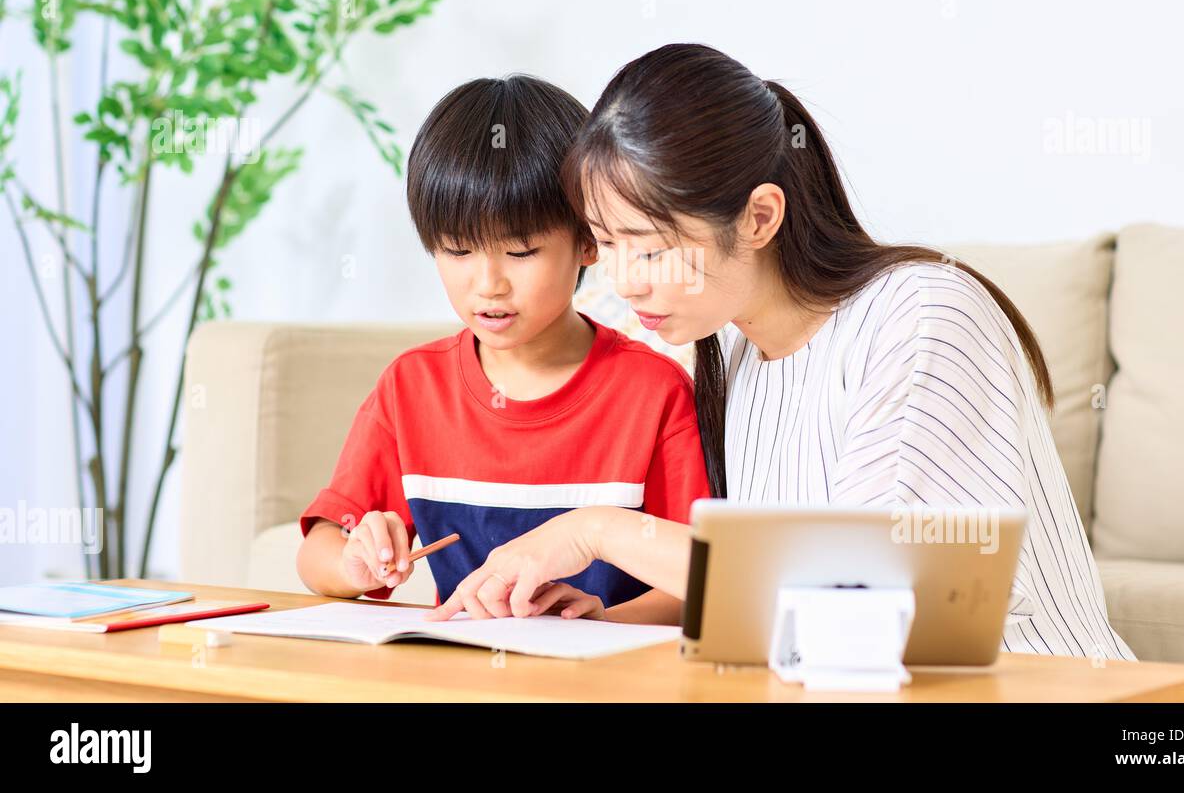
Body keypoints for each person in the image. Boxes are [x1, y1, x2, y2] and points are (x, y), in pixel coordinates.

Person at [426, 44, 1137, 662]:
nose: (624, 277)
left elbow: (862, 607)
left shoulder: (921, 315)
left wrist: (595, 532)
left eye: (650, 245)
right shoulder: (730, 347)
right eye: (606, 243)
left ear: (761, 216)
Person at [296, 74, 711, 624]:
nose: (488, 284)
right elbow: (316, 553)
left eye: (520, 251)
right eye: (458, 250)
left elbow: (703, 584)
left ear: (589, 240)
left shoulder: (654, 395)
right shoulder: (411, 388)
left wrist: (598, 623)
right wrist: (355, 561)